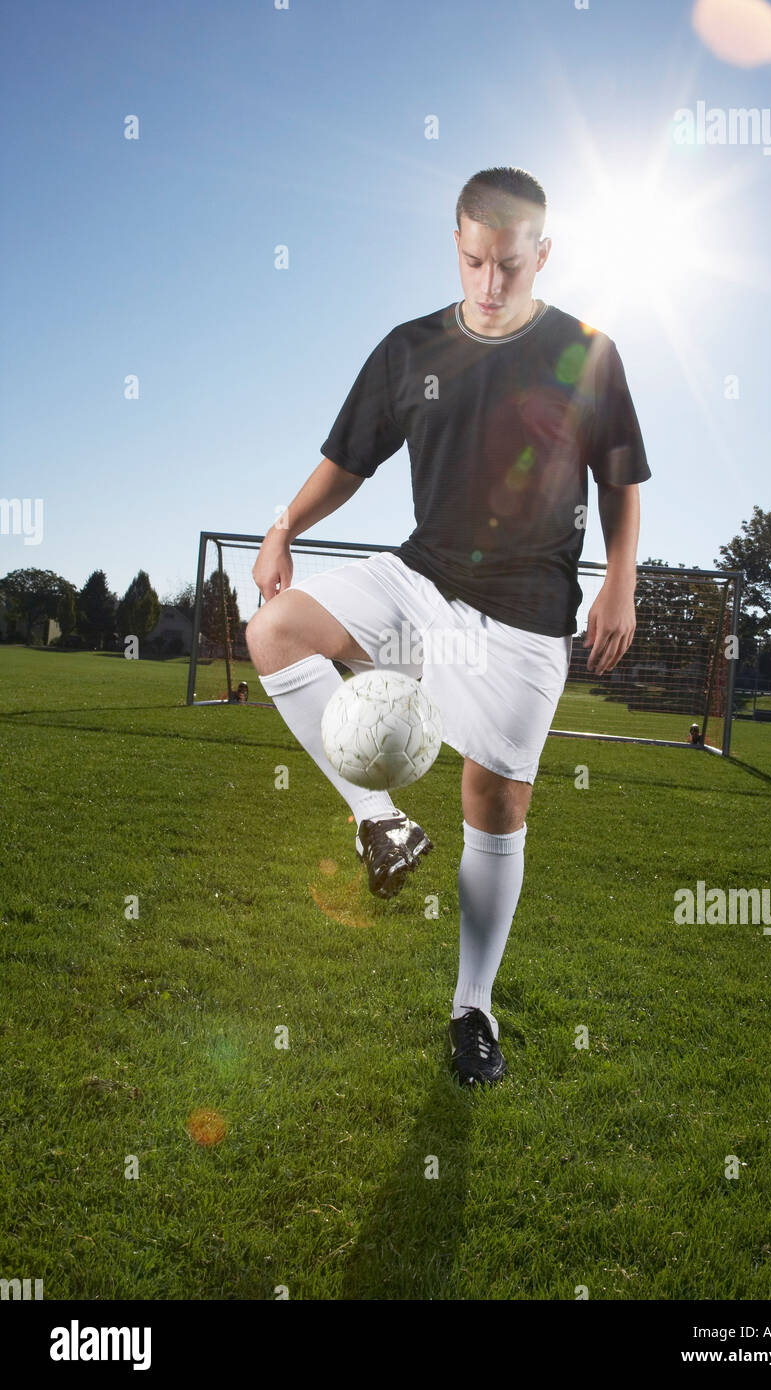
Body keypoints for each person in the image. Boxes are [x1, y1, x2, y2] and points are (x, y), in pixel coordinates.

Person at [246, 166, 650, 1086]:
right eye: (475, 261)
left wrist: (618, 582)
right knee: (273, 632)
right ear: (457, 247)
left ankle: (473, 1008)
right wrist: (282, 529)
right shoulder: (410, 349)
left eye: (510, 264)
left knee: (493, 800)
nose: (491, 283)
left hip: (524, 610)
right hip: (421, 578)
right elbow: (348, 459)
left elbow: (619, 479)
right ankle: (380, 822)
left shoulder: (590, 353)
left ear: (541, 254)